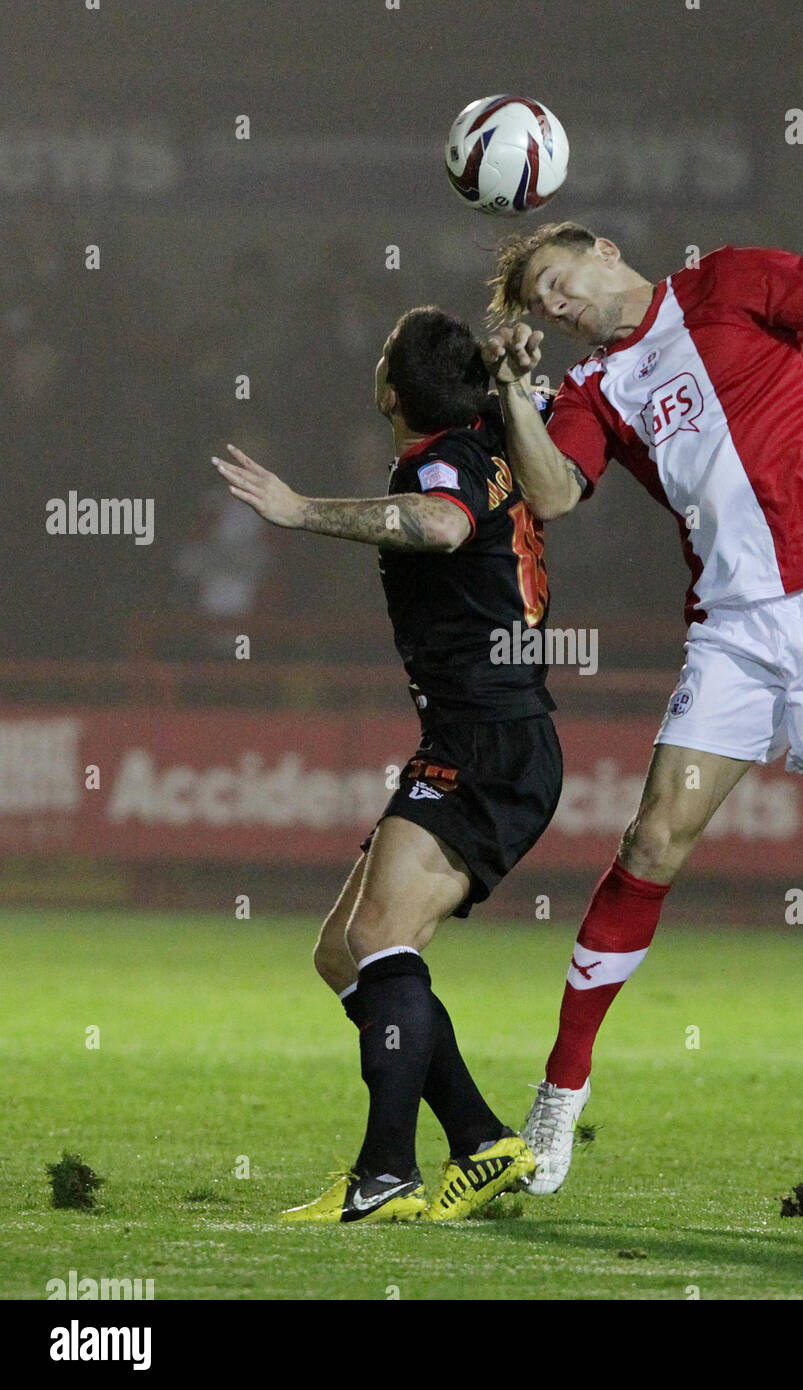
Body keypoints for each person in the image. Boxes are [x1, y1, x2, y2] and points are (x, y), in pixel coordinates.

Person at [482, 223, 803, 1193]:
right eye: (540, 302)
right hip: (732, 631)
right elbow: (551, 496)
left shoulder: (733, 281)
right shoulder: (588, 389)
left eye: (556, 279)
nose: (556, 304)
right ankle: (558, 1091)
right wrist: (508, 388)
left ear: (604, 249)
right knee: (651, 839)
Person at [213, 306, 561, 1222]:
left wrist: (297, 511)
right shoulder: (491, 432)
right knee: (345, 952)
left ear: (392, 393)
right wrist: (512, 361)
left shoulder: (441, 460)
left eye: (381, 359)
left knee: (378, 941)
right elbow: (525, 410)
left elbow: (443, 525)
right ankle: (483, 1142)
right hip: (485, 737)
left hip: (485, 744)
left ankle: (386, 1172)